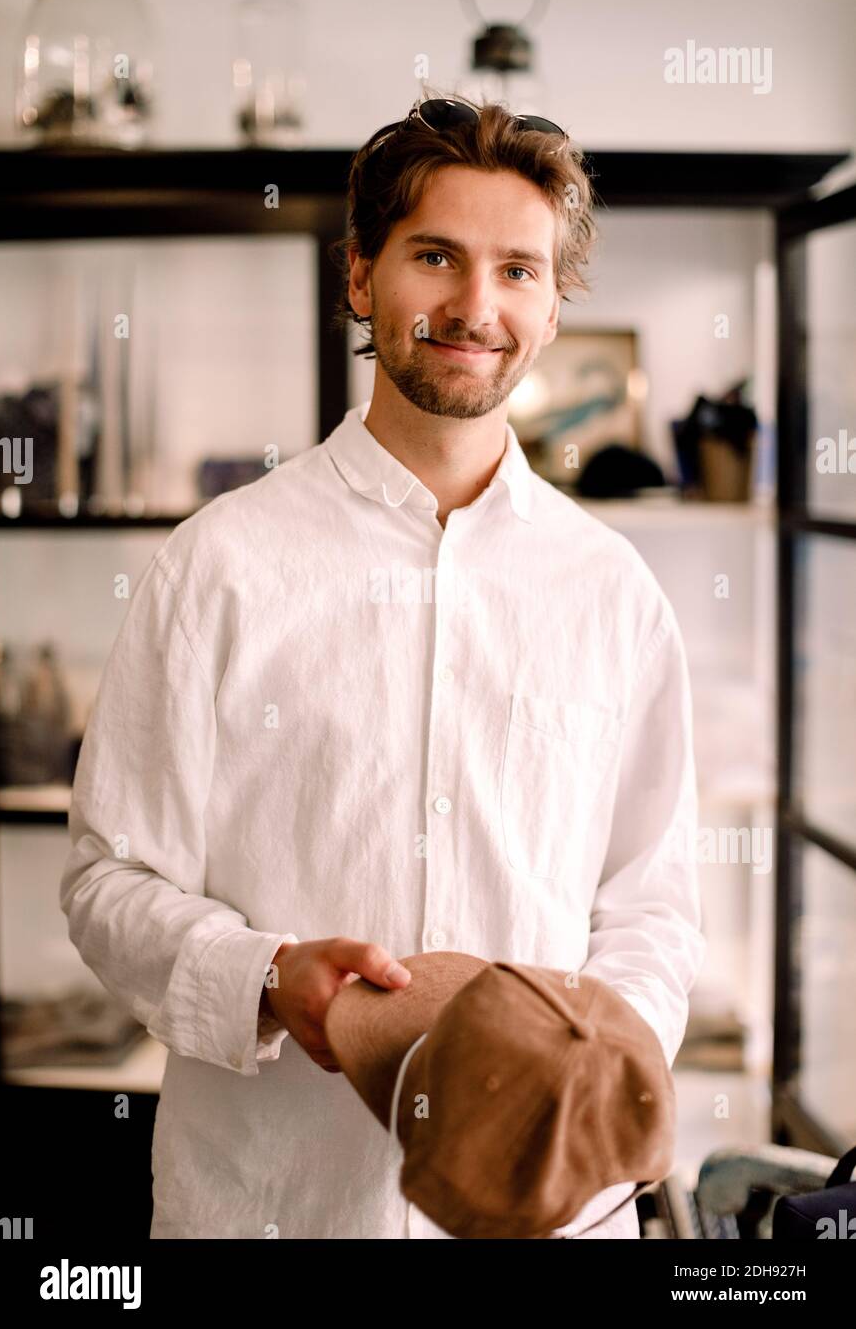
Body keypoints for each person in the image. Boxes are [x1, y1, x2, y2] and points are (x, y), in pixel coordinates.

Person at [61, 94, 706, 1240]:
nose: (474, 305)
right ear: (360, 277)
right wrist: (264, 975)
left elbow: (650, 907)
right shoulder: (219, 563)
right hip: (268, 1209)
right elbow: (109, 881)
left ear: (553, 308)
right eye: (435, 257)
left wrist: (593, 1062)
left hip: (547, 1219)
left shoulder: (613, 596)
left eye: (517, 270)